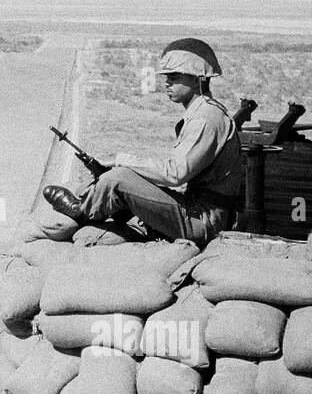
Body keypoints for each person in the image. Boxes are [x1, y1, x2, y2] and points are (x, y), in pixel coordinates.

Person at [42, 38, 244, 245]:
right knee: (125, 176)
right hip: (196, 209)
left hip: (203, 220)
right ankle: (103, 204)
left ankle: (81, 211)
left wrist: (121, 161)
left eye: (174, 77)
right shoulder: (203, 111)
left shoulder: (205, 118)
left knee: (119, 178)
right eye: (167, 77)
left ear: (197, 79)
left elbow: (176, 174)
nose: (167, 82)